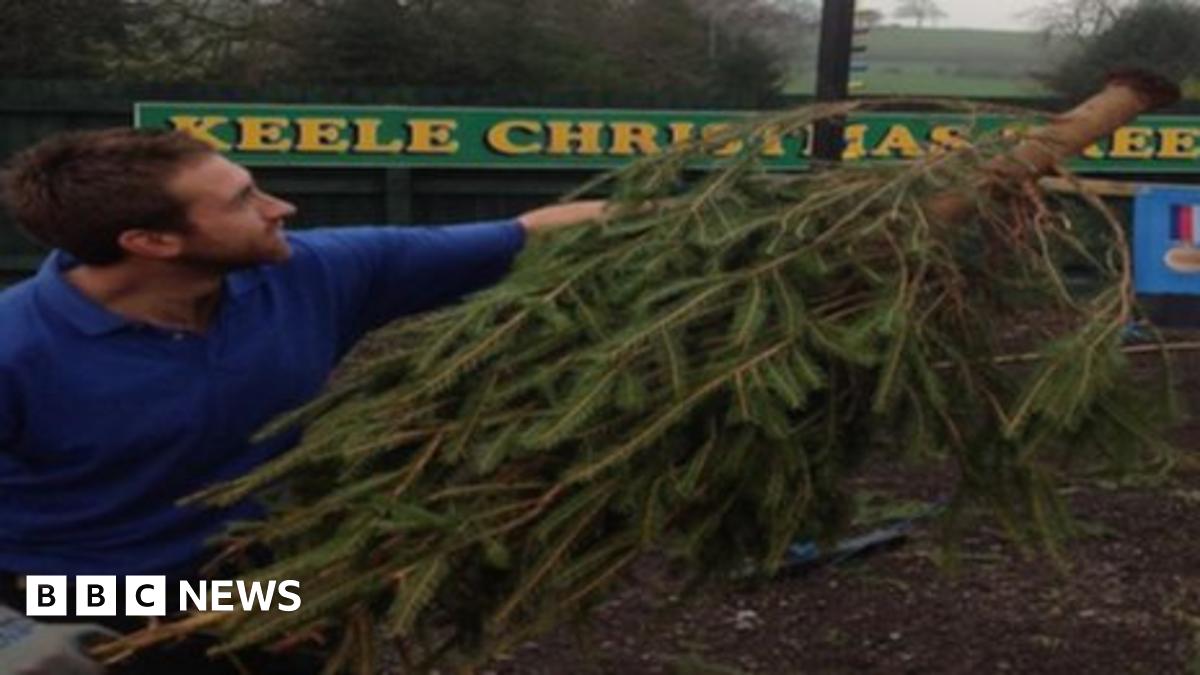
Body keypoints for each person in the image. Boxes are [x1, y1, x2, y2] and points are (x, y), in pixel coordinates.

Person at [0, 128, 610, 674]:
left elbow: (525, 234)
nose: (279, 208)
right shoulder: (15, 348)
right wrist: (16, 637)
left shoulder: (309, 274)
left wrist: (690, 215)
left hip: (251, 576)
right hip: (71, 599)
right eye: (242, 202)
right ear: (152, 241)